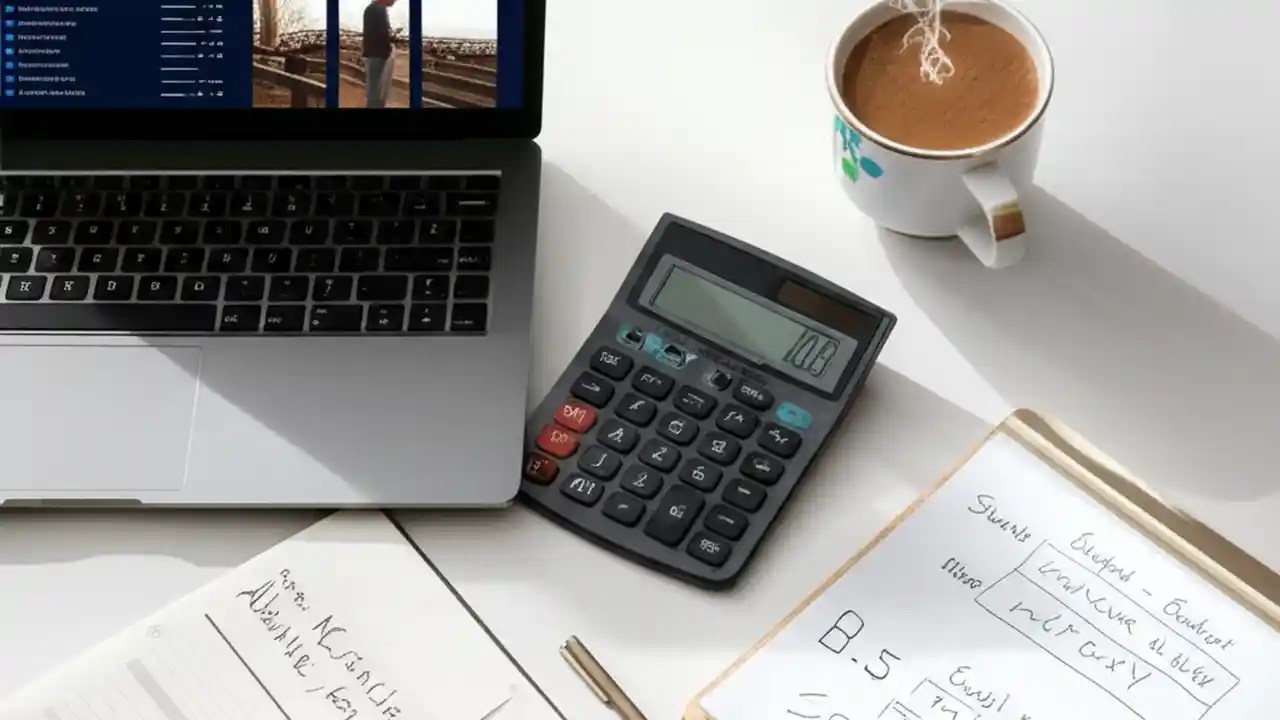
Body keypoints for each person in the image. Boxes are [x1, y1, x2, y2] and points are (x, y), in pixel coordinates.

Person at [362, 0, 397, 108]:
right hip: (378, 56)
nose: (395, 1)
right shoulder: (380, 9)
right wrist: (390, 46)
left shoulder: (371, 8)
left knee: (374, 92)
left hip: (372, 55)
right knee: (377, 94)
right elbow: (383, 34)